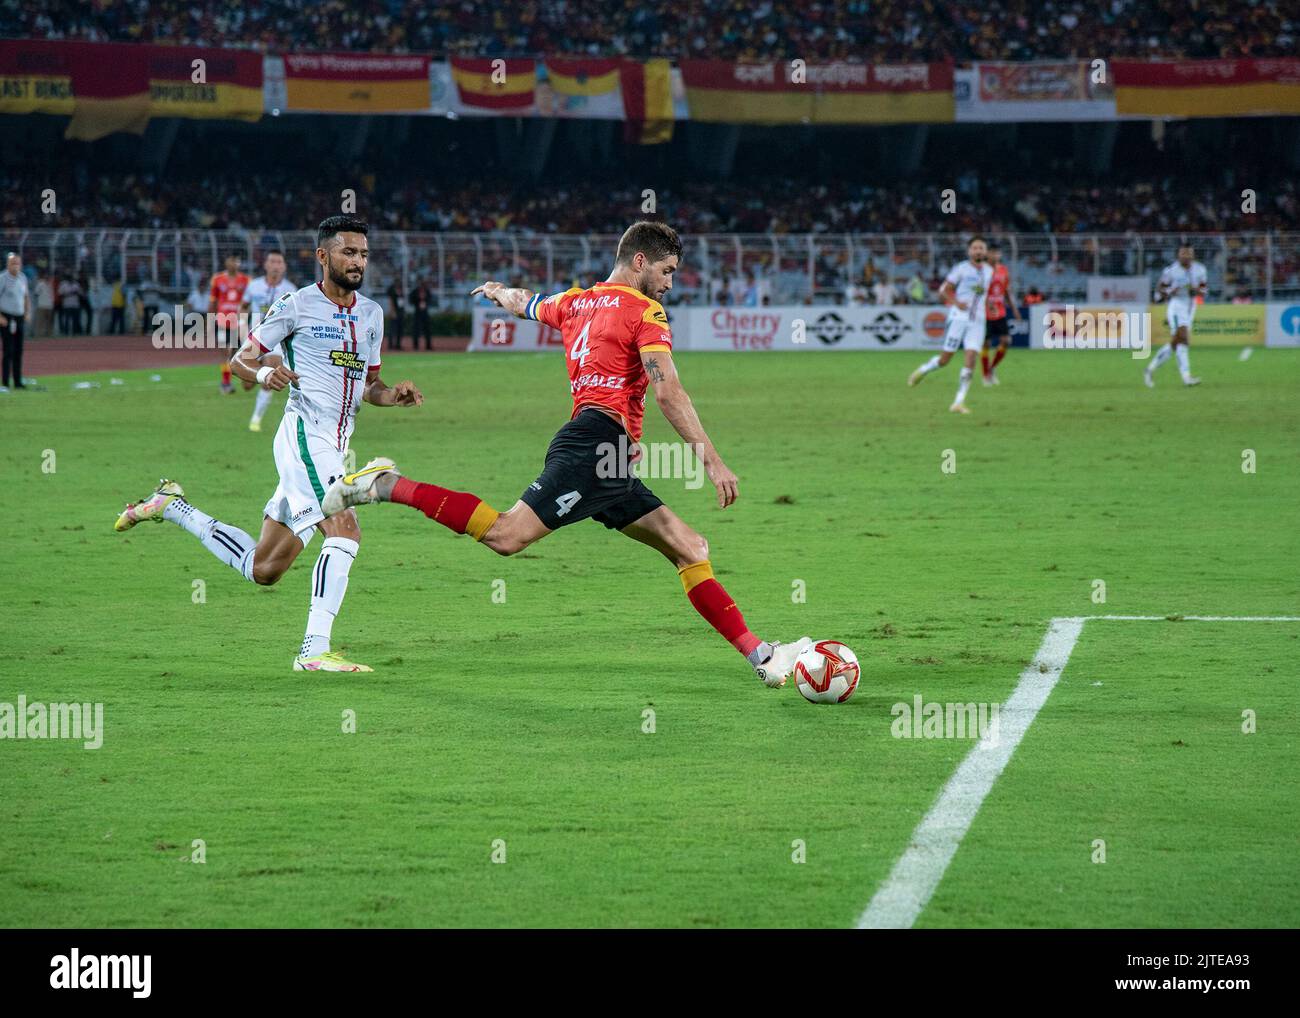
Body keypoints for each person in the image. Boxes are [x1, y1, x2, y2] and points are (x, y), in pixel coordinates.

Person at [320, 221, 813, 688]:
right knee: (506, 536)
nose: (668, 285)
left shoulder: (576, 302)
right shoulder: (646, 313)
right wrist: (711, 460)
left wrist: (495, 291)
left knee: (690, 547)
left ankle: (763, 657)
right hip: (595, 446)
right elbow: (668, 392)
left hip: (608, 455)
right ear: (640, 261)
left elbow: (525, 303)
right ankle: (385, 484)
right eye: (666, 272)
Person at [114, 216, 424, 673]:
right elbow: (240, 359)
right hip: (303, 435)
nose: (358, 262)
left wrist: (390, 396)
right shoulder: (296, 306)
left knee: (265, 568)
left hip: (333, 448)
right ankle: (313, 651)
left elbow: (369, 386)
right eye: (348, 252)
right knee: (346, 527)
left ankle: (171, 505)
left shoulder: (372, 315)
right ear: (323, 256)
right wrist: (264, 374)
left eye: (363, 254)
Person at [907, 236, 993, 414]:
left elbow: (980, 291)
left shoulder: (989, 271)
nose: (978, 251)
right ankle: (924, 369)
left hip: (978, 321)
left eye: (981, 248)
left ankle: (958, 402)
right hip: (959, 318)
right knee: (945, 360)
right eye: (975, 248)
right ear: (969, 251)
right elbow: (943, 290)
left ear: (985, 251)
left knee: (971, 358)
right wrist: (956, 303)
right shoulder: (961, 269)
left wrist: (988, 303)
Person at [239, 250, 295, 432]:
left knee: (270, 373)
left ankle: (255, 419)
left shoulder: (291, 290)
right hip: (254, 336)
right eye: (272, 261)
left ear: (284, 267)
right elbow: (244, 306)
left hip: (277, 340)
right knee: (247, 385)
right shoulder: (253, 286)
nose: (275, 265)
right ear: (265, 265)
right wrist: (240, 325)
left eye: (279, 262)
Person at [1145, 244, 1206, 388]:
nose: (1185, 256)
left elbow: (1203, 290)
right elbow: (1160, 288)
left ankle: (1151, 370)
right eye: (1183, 253)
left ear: (1192, 255)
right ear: (1178, 255)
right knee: (1183, 337)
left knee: (1180, 343)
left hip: (1191, 307)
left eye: (1188, 253)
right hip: (1177, 306)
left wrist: (1196, 290)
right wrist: (1171, 291)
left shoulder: (1200, 269)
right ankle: (1186, 377)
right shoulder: (1171, 271)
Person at [980, 243, 1021, 385]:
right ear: (987, 254)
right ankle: (985, 375)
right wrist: (986, 304)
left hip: (1000, 311)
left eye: (997, 253)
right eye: (992, 252)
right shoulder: (982, 270)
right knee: (986, 343)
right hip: (985, 313)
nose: (995, 255)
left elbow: (1006, 291)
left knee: (1006, 341)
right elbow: (979, 291)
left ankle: (991, 368)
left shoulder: (1003, 270)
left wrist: (1014, 309)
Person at [210, 255, 250, 392]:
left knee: (233, 353)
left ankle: (229, 381)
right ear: (226, 262)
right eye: (231, 260)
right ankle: (226, 383)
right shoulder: (217, 279)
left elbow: (248, 302)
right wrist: (209, 320)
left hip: (238, 322)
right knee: (225, 351)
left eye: (236, 260)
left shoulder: (245, 280)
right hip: (222, 320)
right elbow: (213, 301)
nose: (234, 263)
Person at [0, 253, 31, 390]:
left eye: (18, 263)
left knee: (19, 350)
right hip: (6, 317)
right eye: (13, 263)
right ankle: (6, 381)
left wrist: (27, 312)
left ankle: (18, 381)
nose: (16, 266)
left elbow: (26, 297)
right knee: (8, 351)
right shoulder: (2, 278)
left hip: (19, 317)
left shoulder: (22, 278)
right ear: (8, 264)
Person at [410, 282, 431, 350]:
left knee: (427, 330)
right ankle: (415, 346)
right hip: (417, 313)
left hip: (425, 313)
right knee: (416, 330)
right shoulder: (415, 291)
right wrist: (418, 302)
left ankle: (428, 346)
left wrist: (426, 303)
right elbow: (411, 300)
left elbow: (430, 299)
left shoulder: (427, 291)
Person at [386, 280, 405, 351]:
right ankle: (390, 345)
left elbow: (402, 303)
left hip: (400, 312)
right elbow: (390, 302)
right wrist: (392, 312)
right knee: (392, 329)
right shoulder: (392, 292)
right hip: (394, 312)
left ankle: (398, 345)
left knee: (400, 330)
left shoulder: (401, 292)